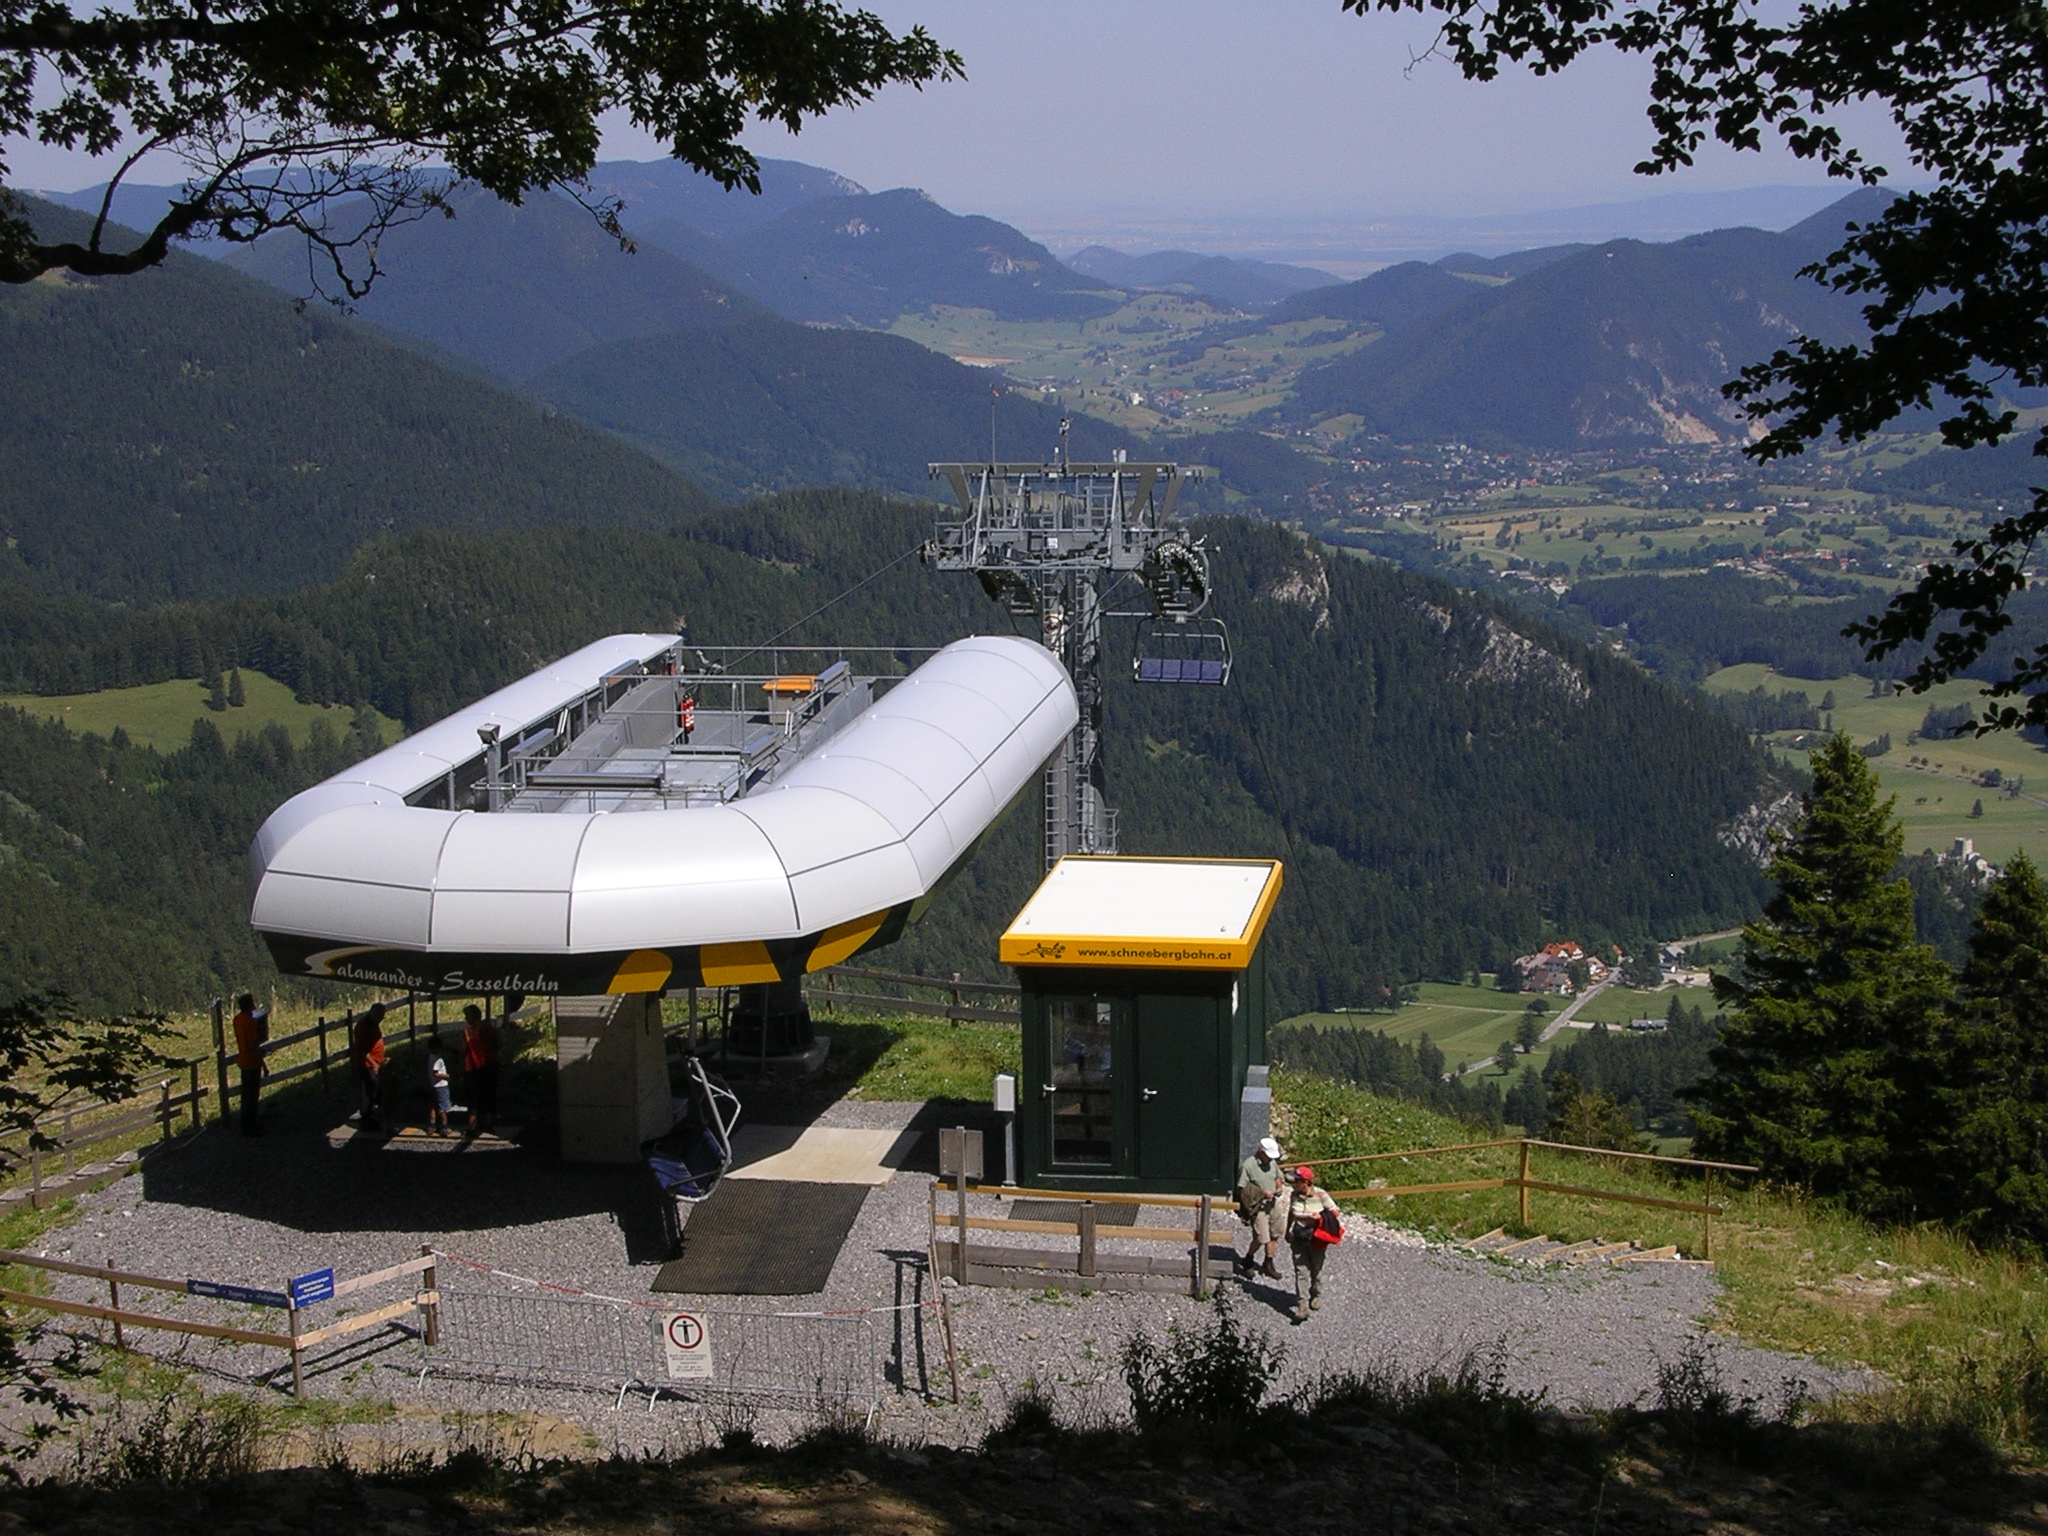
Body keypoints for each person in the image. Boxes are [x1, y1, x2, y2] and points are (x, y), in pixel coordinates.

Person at [1279, 1164, 1342, 1325]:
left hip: (1316, 1237)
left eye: (1297, 1181)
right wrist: (1287, 1231)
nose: (1294, 1184)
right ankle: (1302, 1306)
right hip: (1299, 1236)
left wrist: (1319, 1216)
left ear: (1305, 1182)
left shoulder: (1320, 1194)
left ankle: (1316, 1294)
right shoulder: (1294, 1195)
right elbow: (1291, 1214)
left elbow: (1335, 1210)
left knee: (1316, 1269)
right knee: (1301, 1271)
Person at [1235, 1135, 1284, 1279]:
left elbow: (1277, 1176)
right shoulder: (1248, 1166)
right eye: (1268, 1156)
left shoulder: (1272, 1163)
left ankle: (1268, 1262)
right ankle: (1248, 1259)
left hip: (1273, 1203)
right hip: (1259, 1206)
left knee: (1276, 1232)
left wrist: (1279, 1186)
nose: (1270, 1160)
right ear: (1261, 1152)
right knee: (1261, 1237)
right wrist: (1261, 1193)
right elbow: (1241, 1188)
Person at [461, 1003, 500, 1135]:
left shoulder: (468, 1032)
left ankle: (473, 1127)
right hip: (489, 1066)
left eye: (467, 1016)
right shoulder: (489, 1029)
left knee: (473, 1100)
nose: (466, 1019)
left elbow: (463, 1050)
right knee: (488, 1097)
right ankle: (488, 1125)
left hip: (472, 1067)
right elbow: (498, 1044)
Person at [230, 993, 265, 1136]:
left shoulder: (237, 1019)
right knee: (252, 1096)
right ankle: (251, 1126)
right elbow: (253, 1045)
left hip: (242, 1060)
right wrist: (263, 1062)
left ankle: (245, 1124)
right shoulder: (249, 1022)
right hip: (252, 1062)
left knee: (246, 1095)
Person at [352, 1002, 387, 1131]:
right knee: (368, 1092)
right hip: (367, 1064)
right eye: (380, 1016)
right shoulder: (363, 1027)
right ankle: (366, 1120)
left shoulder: (372, 1024)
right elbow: (362, 1050)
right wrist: (373, 1064)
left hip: (375, 1062)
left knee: (374, 1090)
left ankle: (371, 1116)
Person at [426, 1033, 453, 1136]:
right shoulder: (438, 1059)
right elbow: (436, 1073)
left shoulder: (430, 1057)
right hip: (441, 1085)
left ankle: (431, 1125)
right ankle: (444, 1126)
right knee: (443, 1107)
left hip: (433, 1085)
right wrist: (447, 1076)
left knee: (433, 1106)